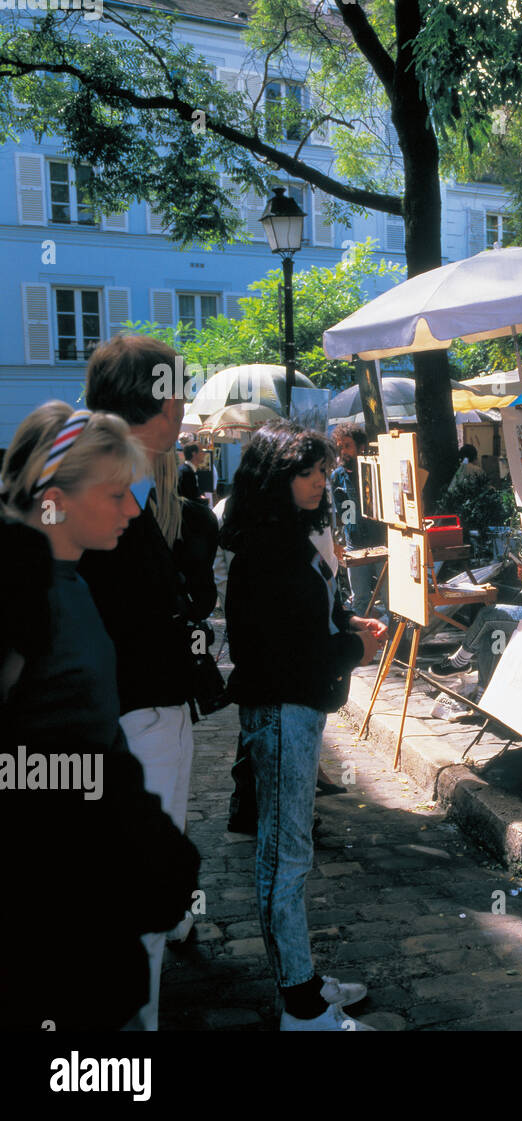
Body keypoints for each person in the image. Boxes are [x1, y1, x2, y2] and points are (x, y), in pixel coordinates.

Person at [0, 403, 199, 1029]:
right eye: (116, 494)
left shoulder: (68, 577)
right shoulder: (19, 589)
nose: (132, 510)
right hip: (55, 918)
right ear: (55, 500)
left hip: (86, 913)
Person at [222, 420, 386, 1031]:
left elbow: (308, 616)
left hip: (297, 707)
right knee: (284, 855)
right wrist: (351, 650)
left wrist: (345, 627)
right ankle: (299, 1004)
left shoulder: (288, 536)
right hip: (282, 709)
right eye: (306, 472)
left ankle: (302, 977)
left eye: (321, 470)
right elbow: (279, 650)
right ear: (275, 478)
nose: (320, 482)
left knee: (291, 851)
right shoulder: (266, 548)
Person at [78, 334, 215, 1030]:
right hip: (133, 719)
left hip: (142, 711)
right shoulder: (104, 487)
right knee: (141, 899)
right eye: (182, 392)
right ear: (161, 402)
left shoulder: (125, 478)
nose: (187, 407)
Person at [329, 422, 387, 619]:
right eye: (340, 446)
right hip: (355, 545)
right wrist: (343, 539)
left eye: (347, 445)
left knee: (389, 598)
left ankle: (397, 643)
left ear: (360, 446)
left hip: (382, 543)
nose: (343, 451)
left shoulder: (374, 470)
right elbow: (343, 513)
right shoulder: (337, 476)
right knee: (360, 599)